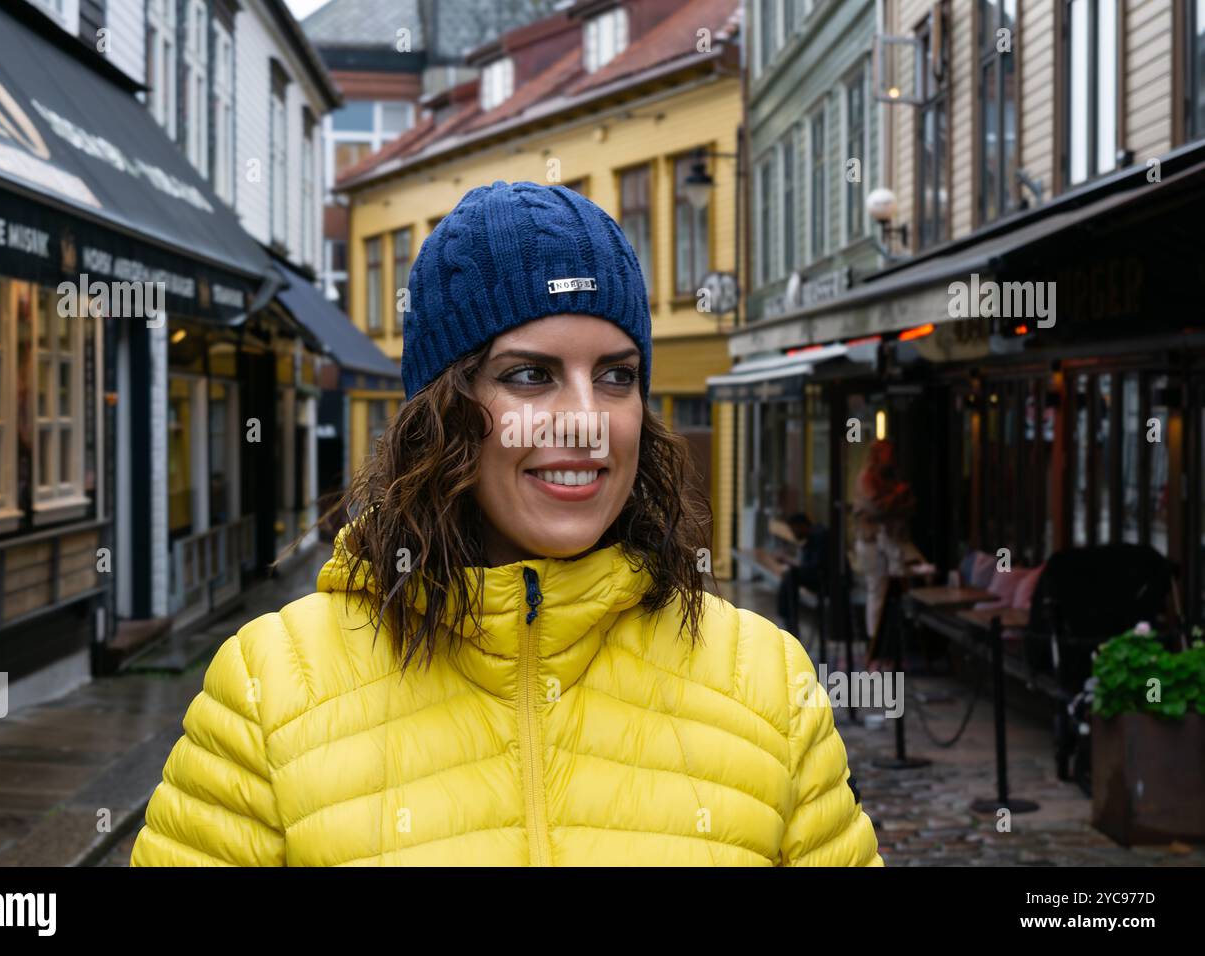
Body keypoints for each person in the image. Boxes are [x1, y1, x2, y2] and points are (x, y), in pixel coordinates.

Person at [130, 181, 881, 867]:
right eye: (531, 375)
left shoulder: (767, 685)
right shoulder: (271, 689)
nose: (588, 423)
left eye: (616, 376)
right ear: (441, 413)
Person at [852, 439, 915, 668]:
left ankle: (891, 646)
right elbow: (877, 507)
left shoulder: (889, 476)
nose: (891, 457)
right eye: (887, 453)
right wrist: (897, 494)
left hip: (889, 541)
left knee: (893, 590)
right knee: (877, 591)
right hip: (872, 542)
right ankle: (876, 645)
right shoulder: (867, 478)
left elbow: (905, 505)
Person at [776, 512, 827, 629]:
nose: (793, 533)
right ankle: (787, 617)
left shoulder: (818, 537)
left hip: (826, 581)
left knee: (790, 576)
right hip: (820, 577)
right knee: (789, 576)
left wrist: (789, 562)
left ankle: (789, 619)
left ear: (802, 526)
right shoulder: (812, 537)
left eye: (794, 529)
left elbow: (814, 567)